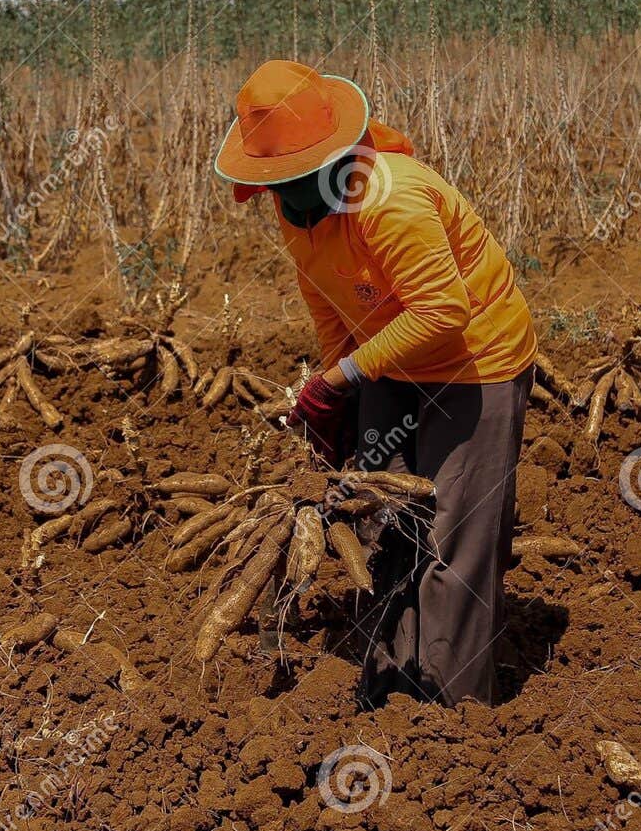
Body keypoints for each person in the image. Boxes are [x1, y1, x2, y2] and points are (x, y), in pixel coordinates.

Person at [214, 59, 537, 707]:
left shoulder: (389, 199)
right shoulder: (296, 211)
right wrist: (338, 393)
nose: (279, 195)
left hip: (474, 361)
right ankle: (387, 687)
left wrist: (343, 376)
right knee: (380, 518)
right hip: (389, 358)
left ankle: (449, 713)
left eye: (291, 178)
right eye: (272, 181)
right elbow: (330, 306)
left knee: (455, 536)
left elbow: (442, 313)